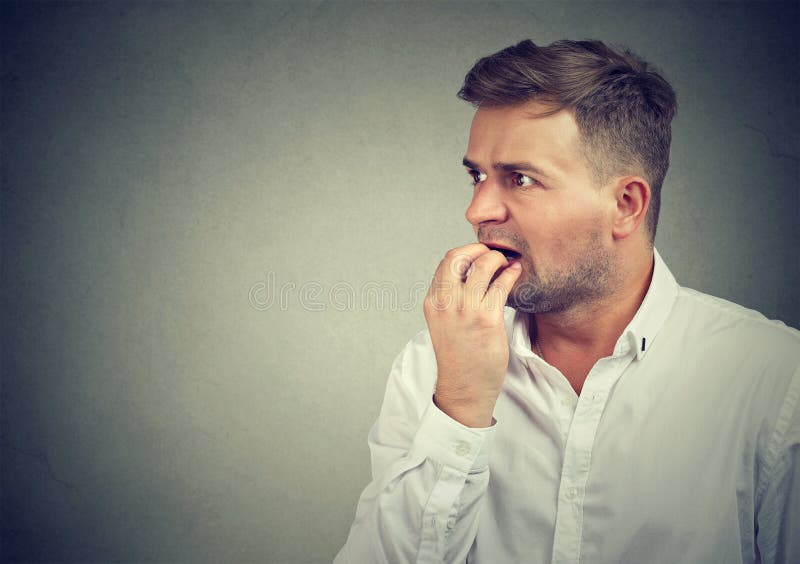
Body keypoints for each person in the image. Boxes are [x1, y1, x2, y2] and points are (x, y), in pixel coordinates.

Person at [334, 39, 799, 564]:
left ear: (625, 205)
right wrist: (461, 407)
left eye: (522, 179)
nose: (477, 209)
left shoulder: (776, 382)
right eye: (477, 175)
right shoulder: (431, 367)